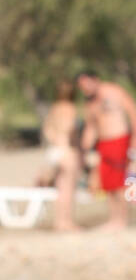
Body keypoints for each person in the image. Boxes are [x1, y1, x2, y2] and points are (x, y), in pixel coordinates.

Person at [77, 71, 136, 230]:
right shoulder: (90, 104)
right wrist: (83, 149)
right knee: (108, 183)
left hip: (120, 139)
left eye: (86, 84)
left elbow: (133, 112)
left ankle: (122, 220)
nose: (85, 89)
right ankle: (114, 219)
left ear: (95, 80)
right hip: (103, 144)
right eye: (81, 87)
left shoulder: (114, 91)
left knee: (123, 180)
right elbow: (91, 128)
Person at [38, 79, 81, 231]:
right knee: (68, 188)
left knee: (60, 188)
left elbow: (47, 129)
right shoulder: (70, 108)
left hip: (54, 150)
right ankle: (67, 221)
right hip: (67, 150)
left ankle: (59, 221)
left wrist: (55, 140)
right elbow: (70, 128)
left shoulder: (54, 108)